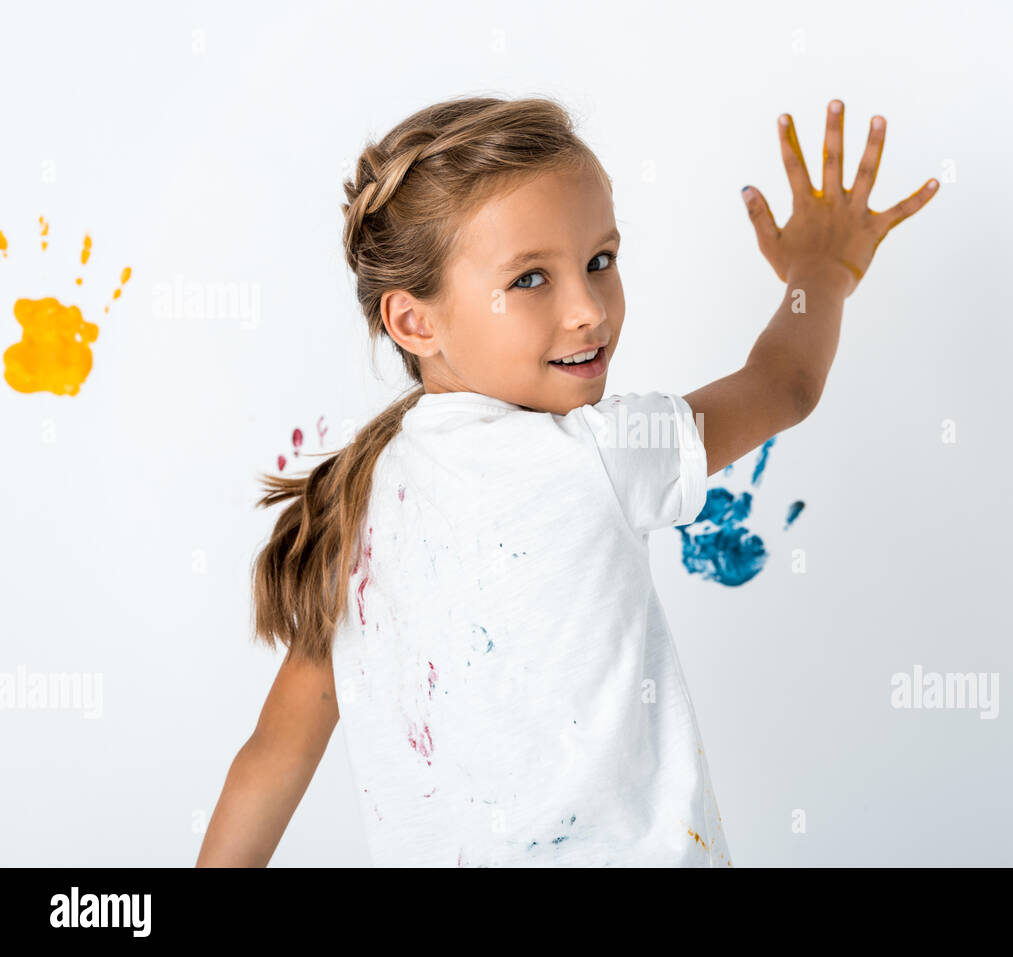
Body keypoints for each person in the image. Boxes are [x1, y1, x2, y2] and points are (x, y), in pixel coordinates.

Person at [196, 95, 938, 867]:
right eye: (530, 280)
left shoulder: (355, 505)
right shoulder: (602, 451)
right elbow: (785, 383)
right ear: (415, 322)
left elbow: (271, 762)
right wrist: (822, 269)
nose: (589, 309)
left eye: (600, 262)